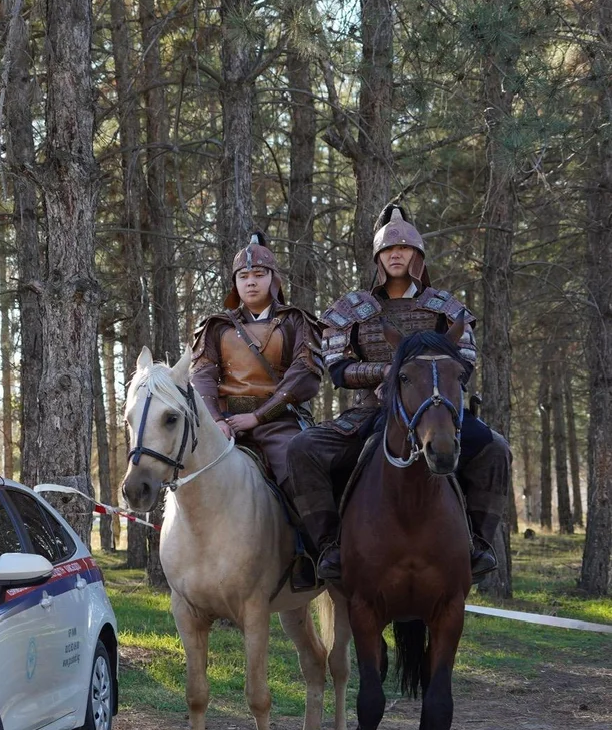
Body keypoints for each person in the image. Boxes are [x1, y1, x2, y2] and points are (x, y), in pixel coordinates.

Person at [286, 204, 511, 585]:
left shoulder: (445, 308)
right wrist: (386, 372)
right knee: (302, 448)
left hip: (433, 411)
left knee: (497, 449)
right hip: (371, 411)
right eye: (388, 249)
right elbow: (338, 368)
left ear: (417, 255)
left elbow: (464, 362)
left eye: (404, 248)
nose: (396, 255)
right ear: (378, 257)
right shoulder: (351, 309)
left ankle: (477, 544)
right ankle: (328, 546)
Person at [189, 232, 324, 589]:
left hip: (279, 422)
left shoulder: (296, 321)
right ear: (235, 282)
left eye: (259, 275)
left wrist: (259, 416)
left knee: (298, 467)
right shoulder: (216, 326)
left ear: (273, 279)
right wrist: (216, 420)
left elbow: (304, 375)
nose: (251, 282)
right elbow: (201, 376)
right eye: (244, 276)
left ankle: (312, 553)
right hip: (224, 423)